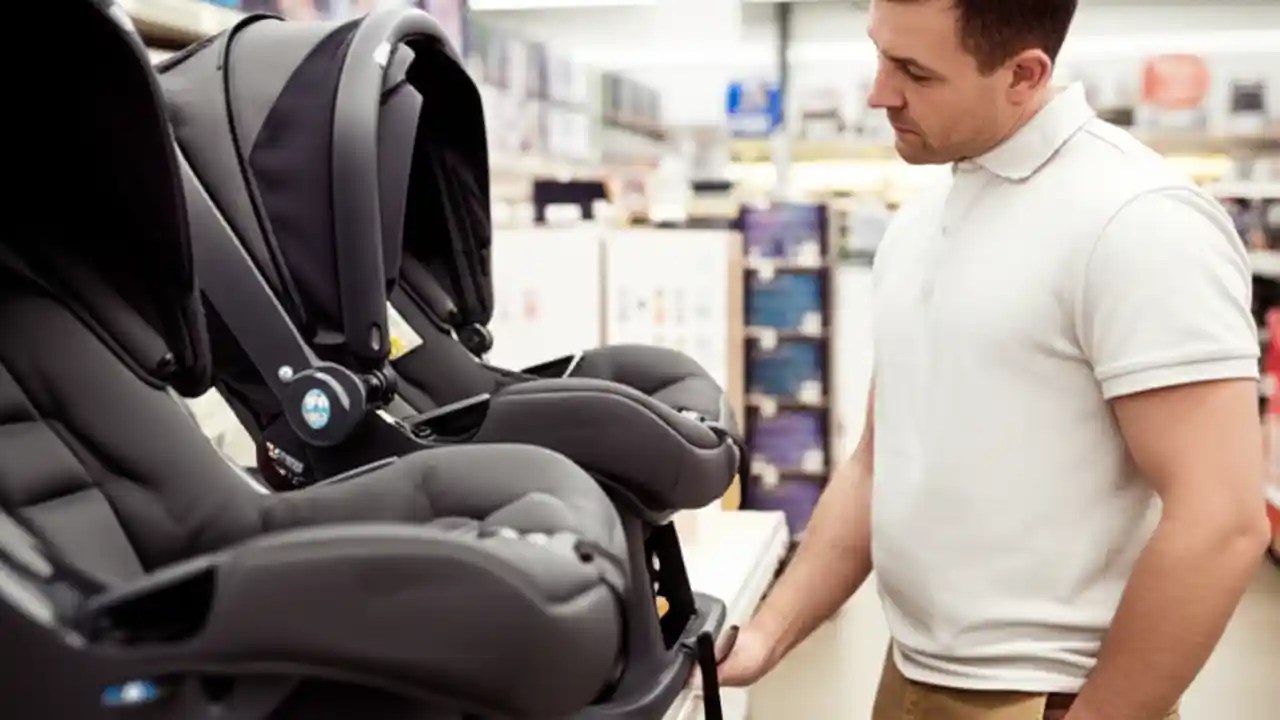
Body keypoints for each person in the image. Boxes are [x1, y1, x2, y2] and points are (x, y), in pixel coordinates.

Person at [716, 1, 1273, 718]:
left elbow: (1222, 522)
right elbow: (879, 464)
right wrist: (767, 634)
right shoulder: (922, 223)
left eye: (914, 71)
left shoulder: (1137, 221)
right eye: (880, 56)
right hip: (912, 671)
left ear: (1024, 74)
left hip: (1050, 695)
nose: (878, 93)